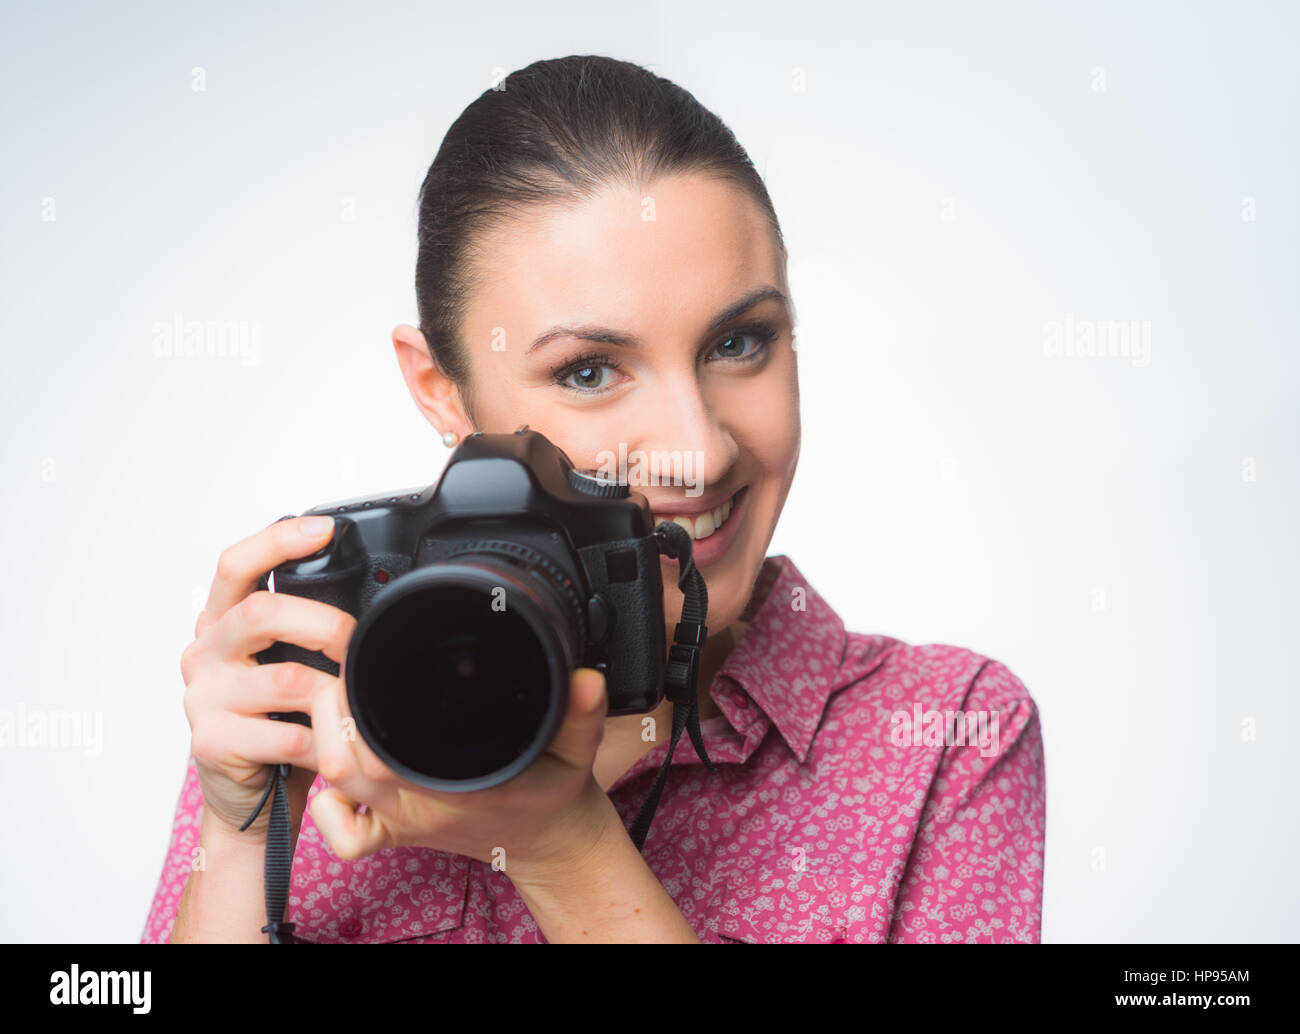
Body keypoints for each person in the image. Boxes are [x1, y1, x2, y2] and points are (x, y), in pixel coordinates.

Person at [143, 54, 1046, 944]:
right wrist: (238, 843)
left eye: (739, 343)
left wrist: (562, 851)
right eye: (588, 370)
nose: (697, 450)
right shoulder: (325, 699)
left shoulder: (946, 738)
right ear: (440, 390)